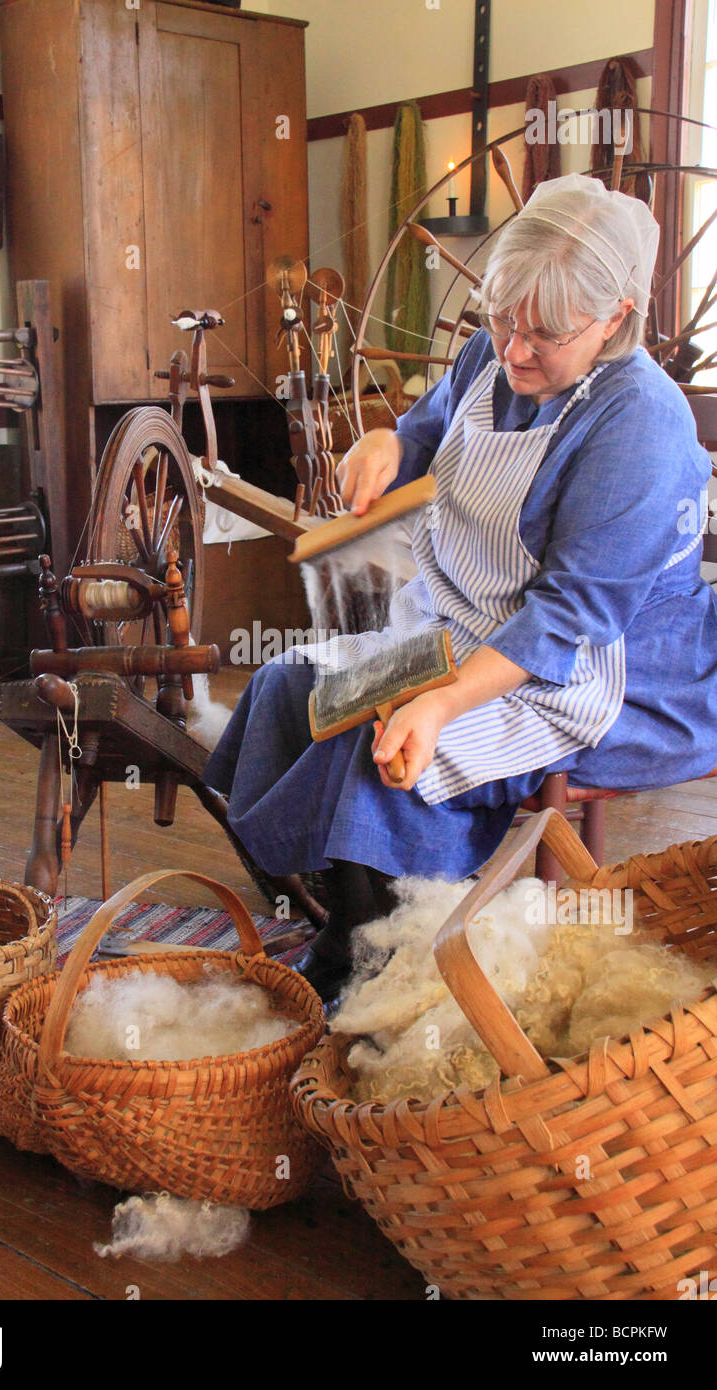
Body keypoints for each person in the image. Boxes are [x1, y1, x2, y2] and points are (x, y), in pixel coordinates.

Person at [203, 172, 717, 1000]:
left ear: (617, 315)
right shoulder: (495, 349)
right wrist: (389, 444)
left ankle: (382, 979)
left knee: (393, 751)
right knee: (295, 688)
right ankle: (350, 917)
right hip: (464, 631)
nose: (514, 349)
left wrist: (439, 702)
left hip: (603, 672)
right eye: (502, 319)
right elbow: (432, 423)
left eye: (544, 333)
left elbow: (571, 619)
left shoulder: (639, 425)